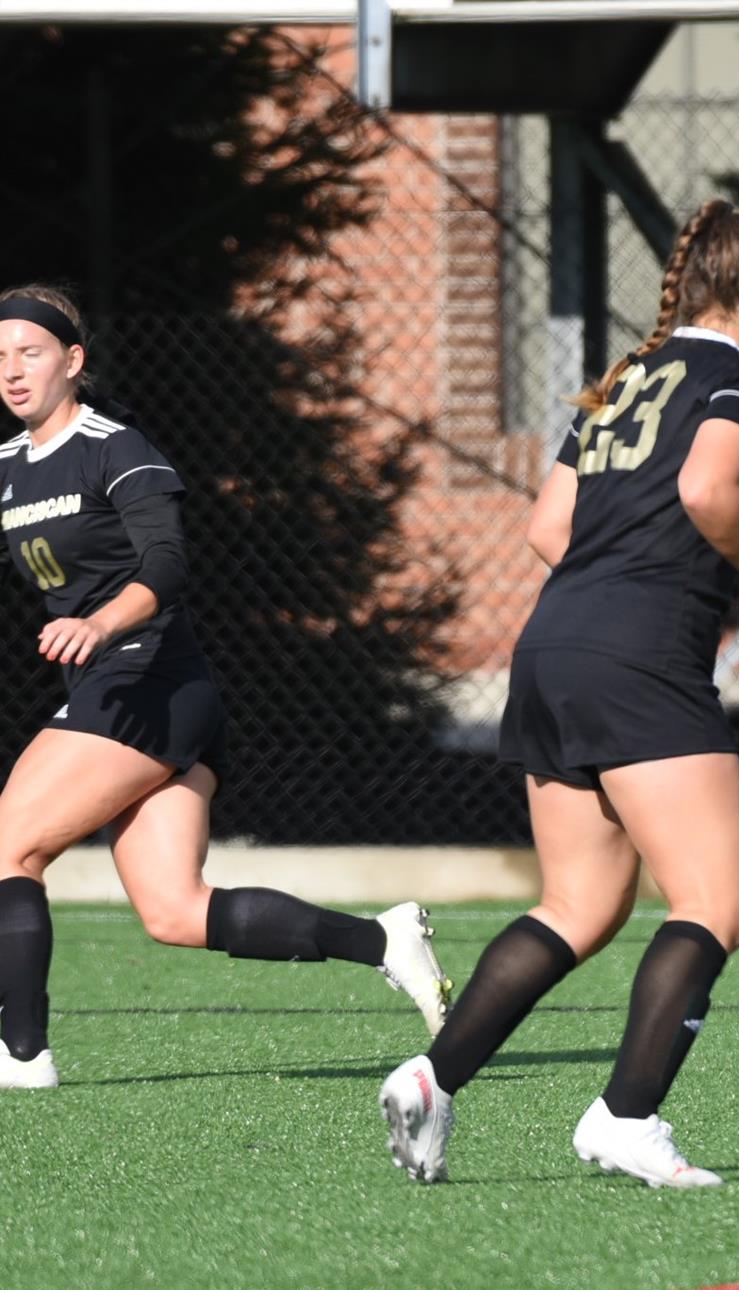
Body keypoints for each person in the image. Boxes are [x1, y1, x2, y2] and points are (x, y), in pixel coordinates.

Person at [378, 201, 739, 1187]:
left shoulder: (627, 381)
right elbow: (711, 491)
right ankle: (625, 1116)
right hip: (638, 658)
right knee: (715, 904)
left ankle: (431, 1077)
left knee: (580, 903)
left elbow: (548, 527)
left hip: (552, 644)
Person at [0, 284, 450, 1091]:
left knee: (7, 844)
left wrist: (102, 625)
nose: (11, 368)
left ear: (73, 361)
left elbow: (167, 564)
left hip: (147, 680)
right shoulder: (7, 468)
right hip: (134, 696)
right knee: (175, 912)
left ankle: (20, 1055)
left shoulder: (117, 447)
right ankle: (382, 942)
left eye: (29, 351)